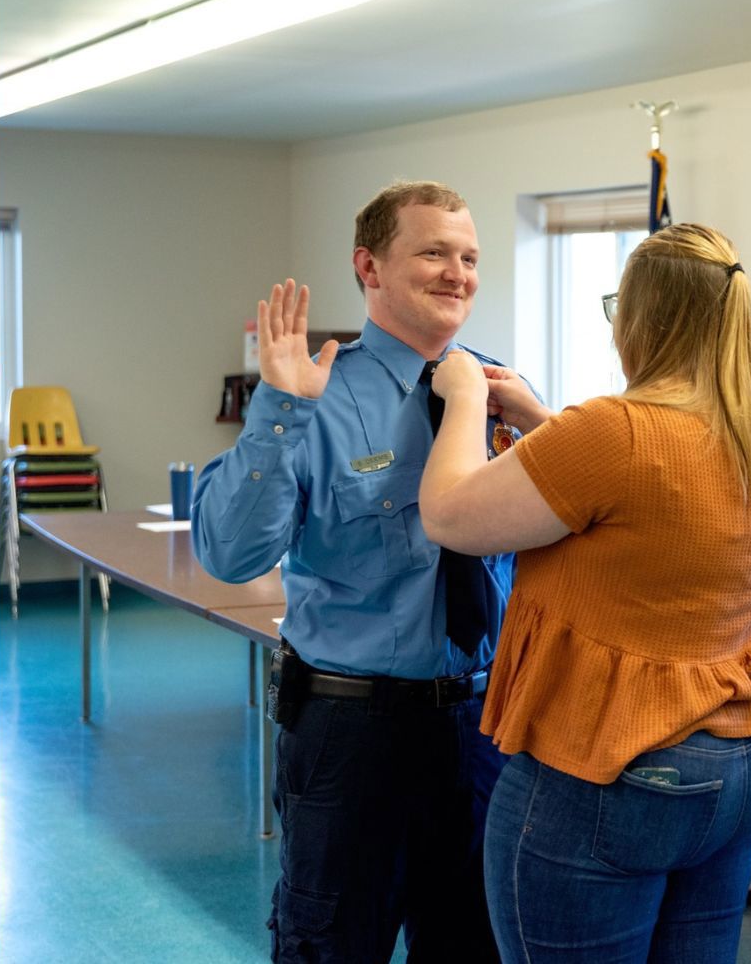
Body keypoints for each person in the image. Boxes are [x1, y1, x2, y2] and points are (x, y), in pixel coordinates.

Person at [419, 222, 751, 961]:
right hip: (744, 752)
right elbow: (652, 504)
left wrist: (466, 396)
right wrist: (541, 422)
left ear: (640, 318)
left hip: (620, 761)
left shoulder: (613, 431)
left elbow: (448, 514)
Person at [192, 180, 530, 962]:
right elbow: (229, 555)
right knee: (335, 945)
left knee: (476, 945)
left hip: (484, 725)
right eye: (433, 253)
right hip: (355, 734)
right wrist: (280, 410)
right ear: (369, 267)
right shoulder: (314, 395)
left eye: (470, 257)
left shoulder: (500, 394)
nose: (458, 273)